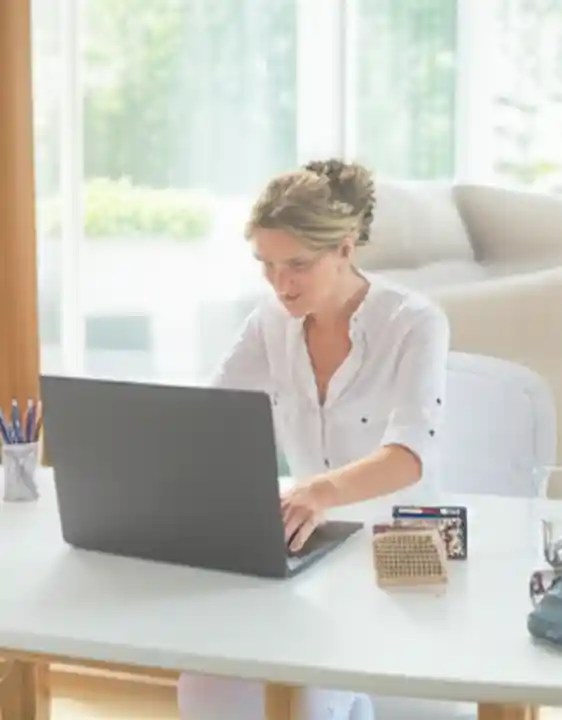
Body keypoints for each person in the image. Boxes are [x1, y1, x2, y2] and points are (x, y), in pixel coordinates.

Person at [177, 159, 450, 720]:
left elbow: (410, 455)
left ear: (346, 248)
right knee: (204, 683)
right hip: (307, 549)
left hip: (398, 549)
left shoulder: (415, 322)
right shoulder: (269, 323)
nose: (281, 284)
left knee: (309, 691)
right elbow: (211, 420)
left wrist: (319, 491)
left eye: (297, 265)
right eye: (267, 265)